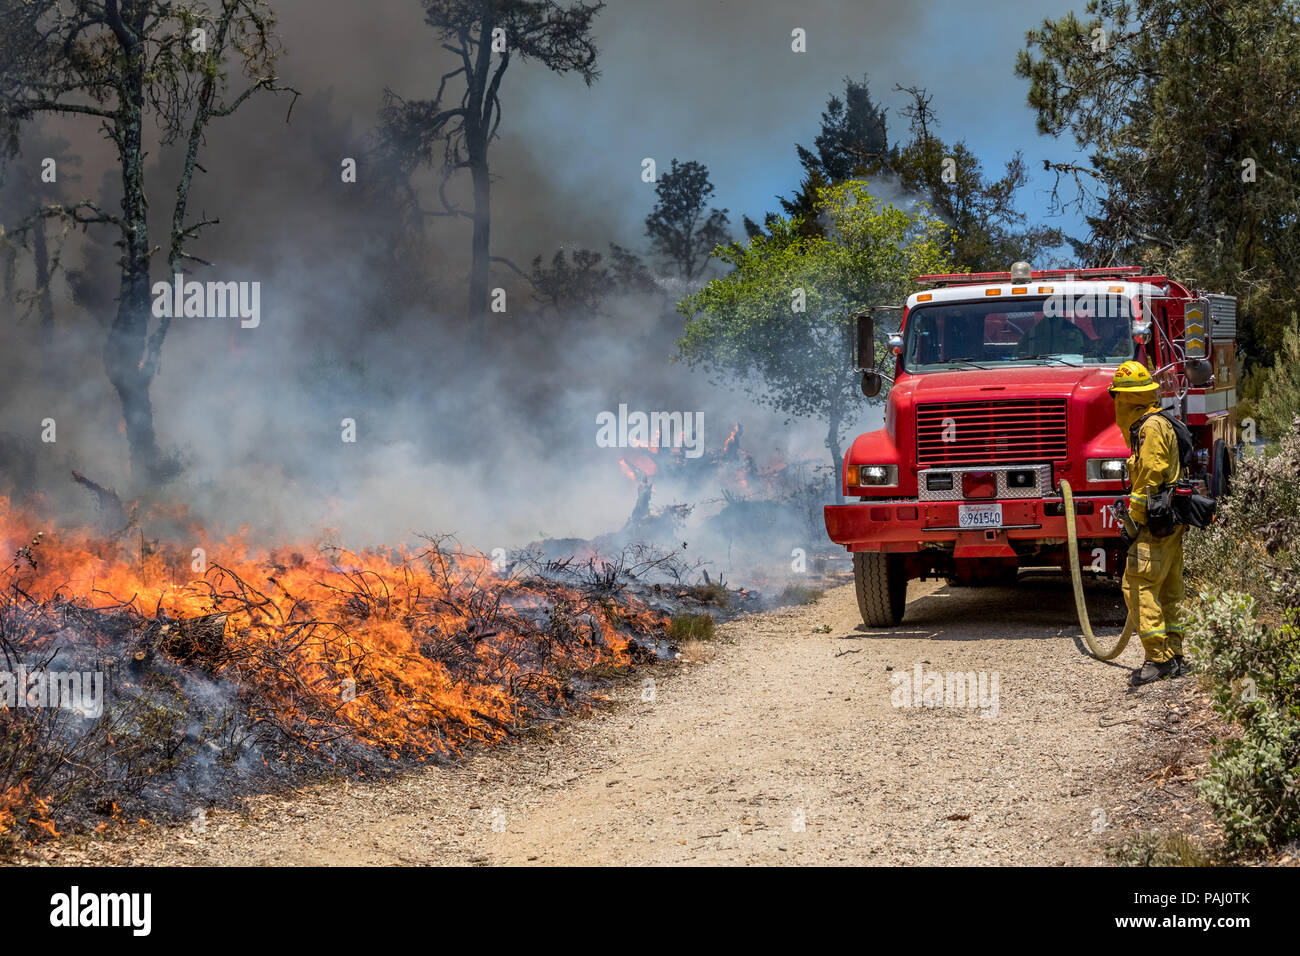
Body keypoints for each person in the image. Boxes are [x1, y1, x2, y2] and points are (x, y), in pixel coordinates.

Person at [1110, 360, 1186, 685]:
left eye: (1116, 399)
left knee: (1138, 584)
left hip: (1157, 522)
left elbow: (1151, 477)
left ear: (1126, 400)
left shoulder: (1150, 429)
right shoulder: (1155, 423)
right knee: (1168, 585)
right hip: (1168, 519)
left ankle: (1159, 658)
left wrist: (1136, 521)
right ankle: (1176, 654)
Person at [1015, 312, 1087, 356]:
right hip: (1034, 369)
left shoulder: (1031, 333)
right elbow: (1015, 357)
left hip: (1070, 368)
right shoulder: (1031, 333)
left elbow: (1085, 357)